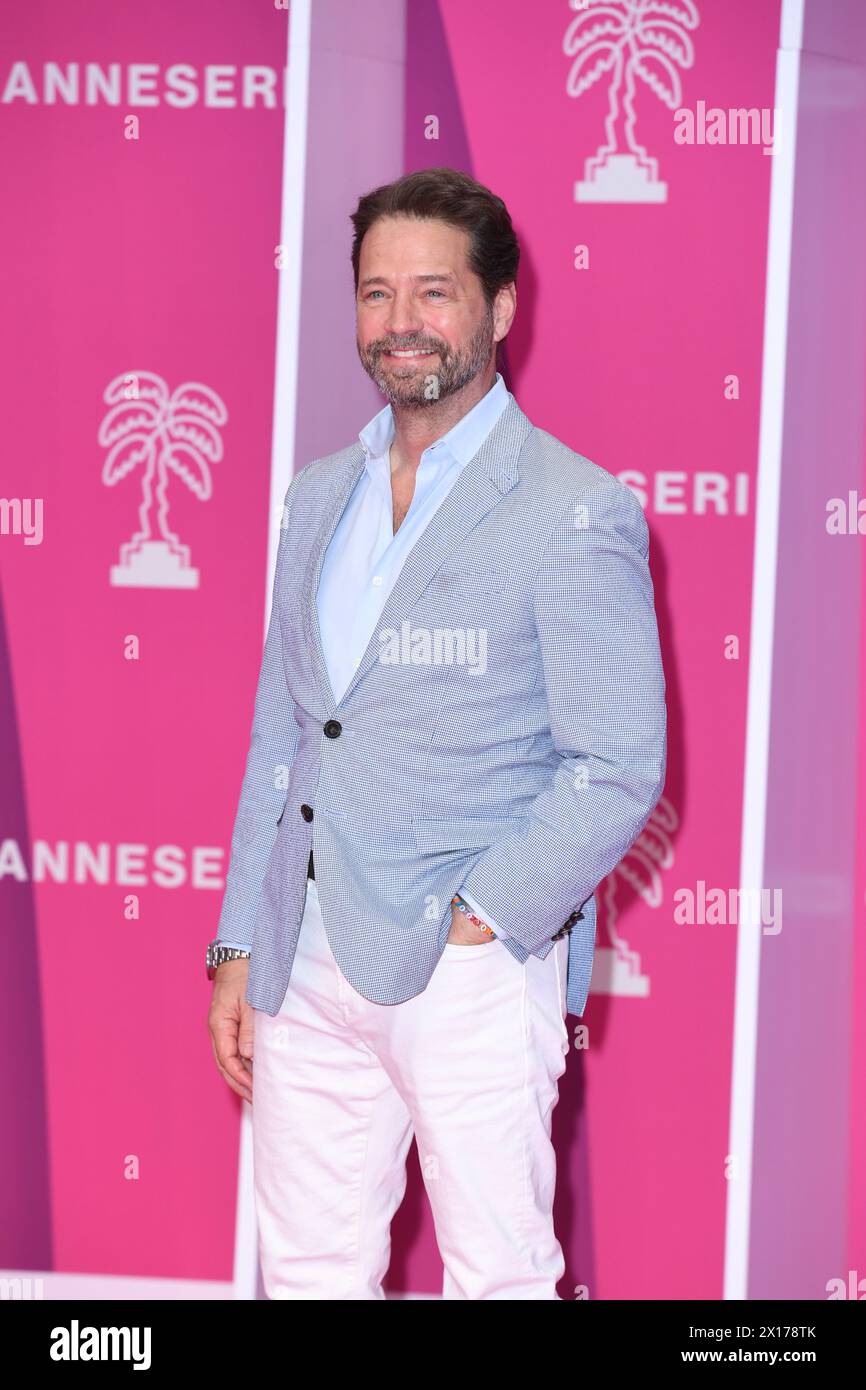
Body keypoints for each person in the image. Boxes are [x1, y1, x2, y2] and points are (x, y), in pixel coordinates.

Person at [207, 167, 666, 1299]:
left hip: (466, 968)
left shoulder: (572, 505)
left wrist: (485, 922)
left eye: (432, 293)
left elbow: (616, 763)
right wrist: (237, 941)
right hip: (303, 951)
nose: (400, 324)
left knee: (495, 1279)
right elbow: (288, 724)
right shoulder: (318, 493)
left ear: (499, 309)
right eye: (375, 294)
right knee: (308, 1273)